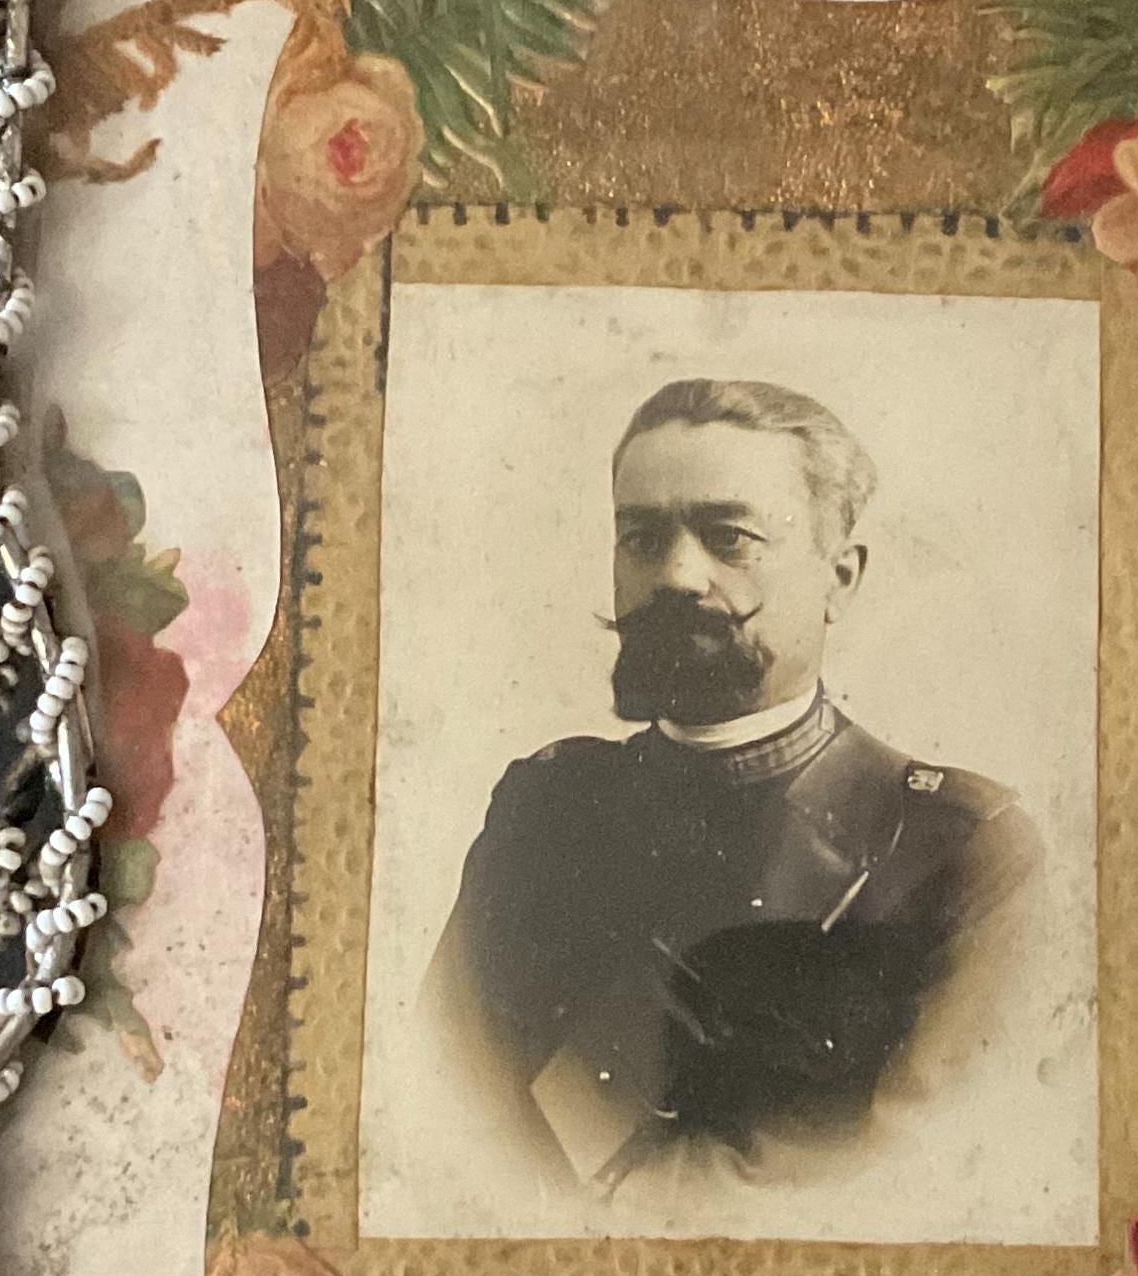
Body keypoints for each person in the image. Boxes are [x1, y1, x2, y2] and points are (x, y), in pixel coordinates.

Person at [423, 376, 1043, 1213]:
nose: (677, 575)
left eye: (729, 538)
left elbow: (903, 1181)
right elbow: (439, 1104)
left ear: (841, 579)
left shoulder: (956, 852)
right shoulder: (545, 809)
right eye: (642, 538)